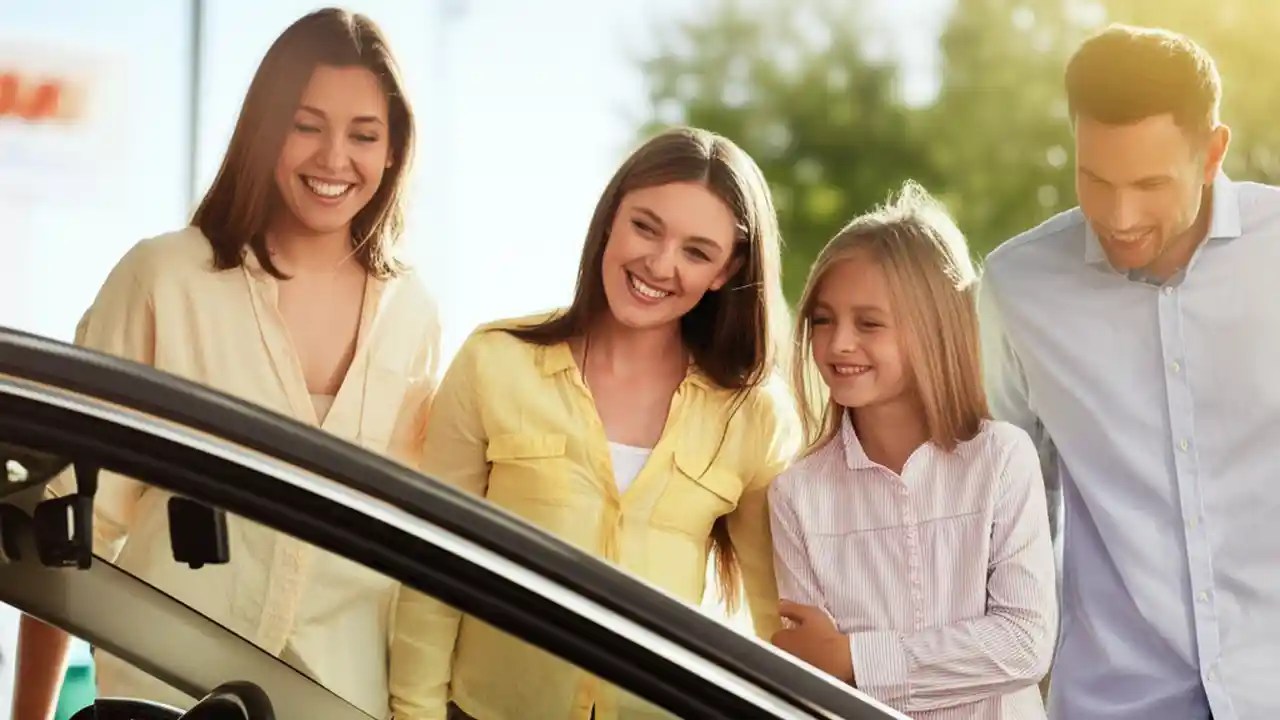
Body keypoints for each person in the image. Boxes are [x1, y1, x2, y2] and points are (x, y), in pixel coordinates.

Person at [12, 8, 438, 720]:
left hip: (337, 706)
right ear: (263, 129)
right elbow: (65, 526)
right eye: (307, 125)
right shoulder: (164, 280)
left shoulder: (413, 313)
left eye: (364, 134)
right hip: (165, 698)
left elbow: (402, 560)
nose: (335, 159)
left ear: (393, 150)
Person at [388, 127, 799, 720]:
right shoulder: (494, 362)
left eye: (697, 251)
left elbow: (775, 625)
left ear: (725, 271)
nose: (659, 264)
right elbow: (431, 566)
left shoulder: (754, 415)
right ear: (611, 218)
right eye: (646, 227)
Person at [980, 23, 1280, 720]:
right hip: (1116, 702)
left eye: (1150, 183)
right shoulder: (1017, 287)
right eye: (1094, 179)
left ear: (1212, 153)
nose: (1118, 216)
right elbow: (997, 509)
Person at [769, 182, 1056, 719]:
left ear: (932, 330)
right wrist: (846, 664)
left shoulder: (1001, 460)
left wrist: (855, 657)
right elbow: (813, 676)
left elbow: (1024, 643)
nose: (837, 344)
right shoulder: (796, 494)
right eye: (823, 319)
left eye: (869, 323)